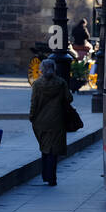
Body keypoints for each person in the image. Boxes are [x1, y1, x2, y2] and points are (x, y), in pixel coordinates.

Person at [30, 57, 71, 186]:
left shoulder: (37, 84)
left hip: (41, 121)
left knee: (44, 148)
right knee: (53, 150)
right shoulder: (61, 83)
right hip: (57, 120)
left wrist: (32, 116)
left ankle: (45, 175)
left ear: (41, 69)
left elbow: (34, 103)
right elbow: (69, 98)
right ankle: (52, 177)